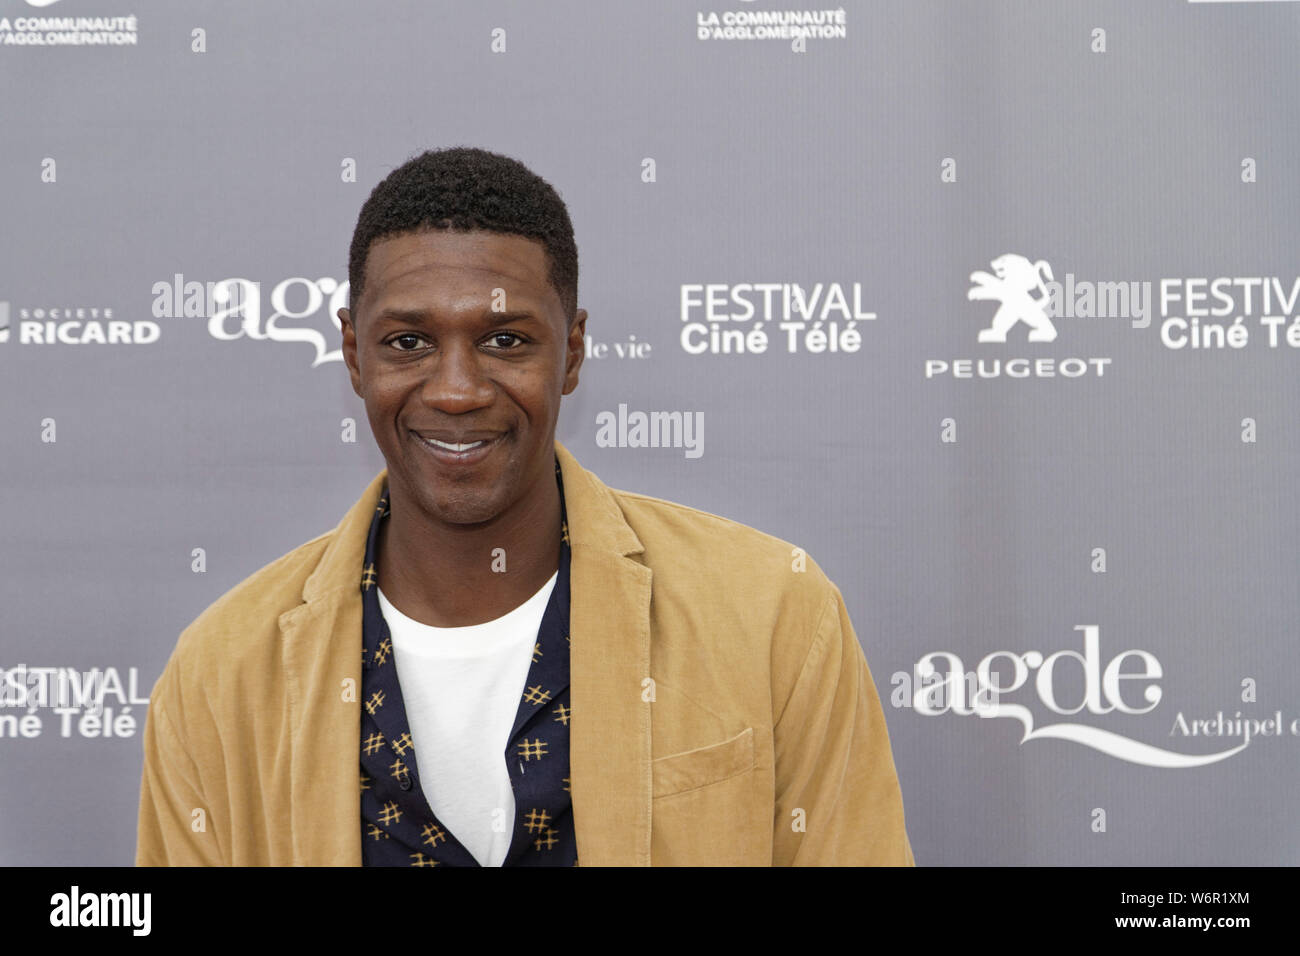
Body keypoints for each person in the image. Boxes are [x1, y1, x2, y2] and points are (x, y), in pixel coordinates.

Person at [135, 146, 914, 866]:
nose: (457, 390)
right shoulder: (221, 672)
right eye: (408, 342)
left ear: (571, 352)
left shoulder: (771, 612)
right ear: (352, 354)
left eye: (505, 340)